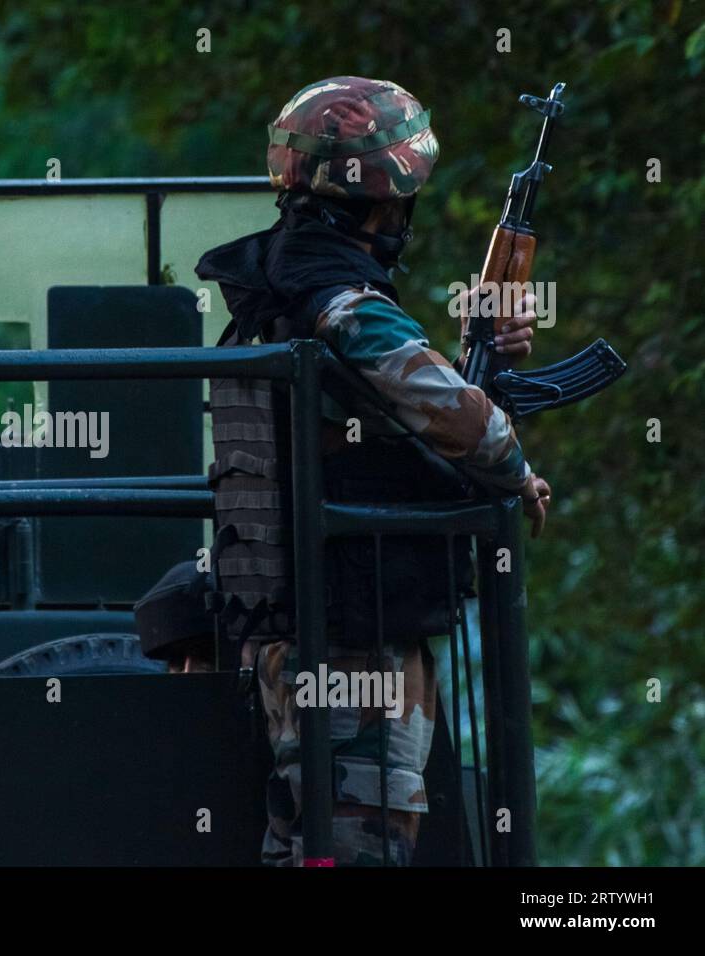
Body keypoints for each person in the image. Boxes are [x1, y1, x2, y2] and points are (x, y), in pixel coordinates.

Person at [195, 76, 549, 866]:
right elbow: (464, 426)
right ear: (389, 199)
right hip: (350, 631)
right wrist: (511, 459)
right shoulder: (341, 299)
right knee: (358, 848)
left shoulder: (278, 282)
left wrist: (477, 354)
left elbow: (375, 424)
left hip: (310, 616)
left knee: (308, 845)